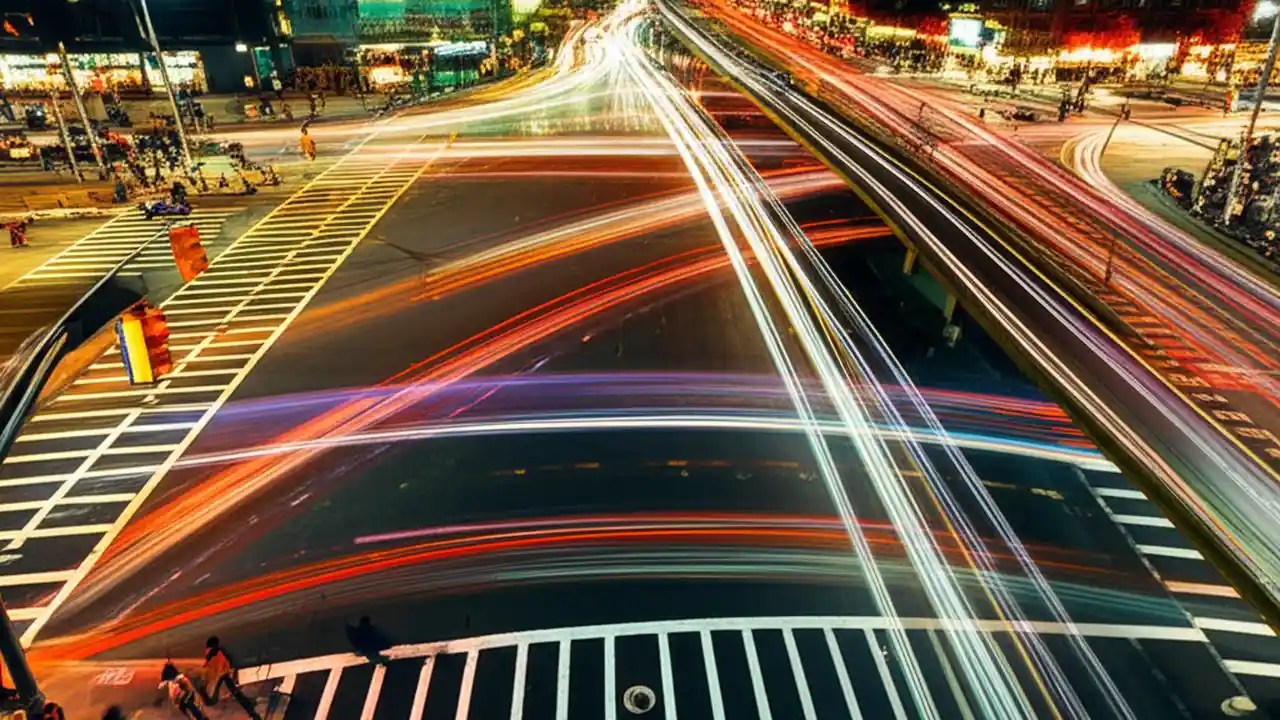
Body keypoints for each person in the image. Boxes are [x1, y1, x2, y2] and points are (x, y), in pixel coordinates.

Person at [202, 636, 262, 720]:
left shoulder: (212, 655)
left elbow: (214, 668)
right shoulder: (218, 654)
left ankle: (250, 708)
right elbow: (223, 667)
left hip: (220, 678)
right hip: (222, 677)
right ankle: (250, 709)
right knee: (237, 694)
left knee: (236, 694)